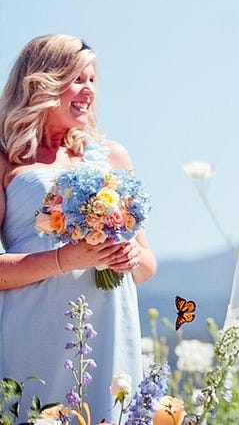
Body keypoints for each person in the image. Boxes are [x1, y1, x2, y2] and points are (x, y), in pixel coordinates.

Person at [0, 35, 156, 421]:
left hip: (106, 327)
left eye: (93, 81)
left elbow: (148, 265)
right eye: (78, 79)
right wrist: (64, 258)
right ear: (43, 82)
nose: (89, 91)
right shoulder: (7, 160)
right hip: (34, 330)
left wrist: (131, 256)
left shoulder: (112, 156)